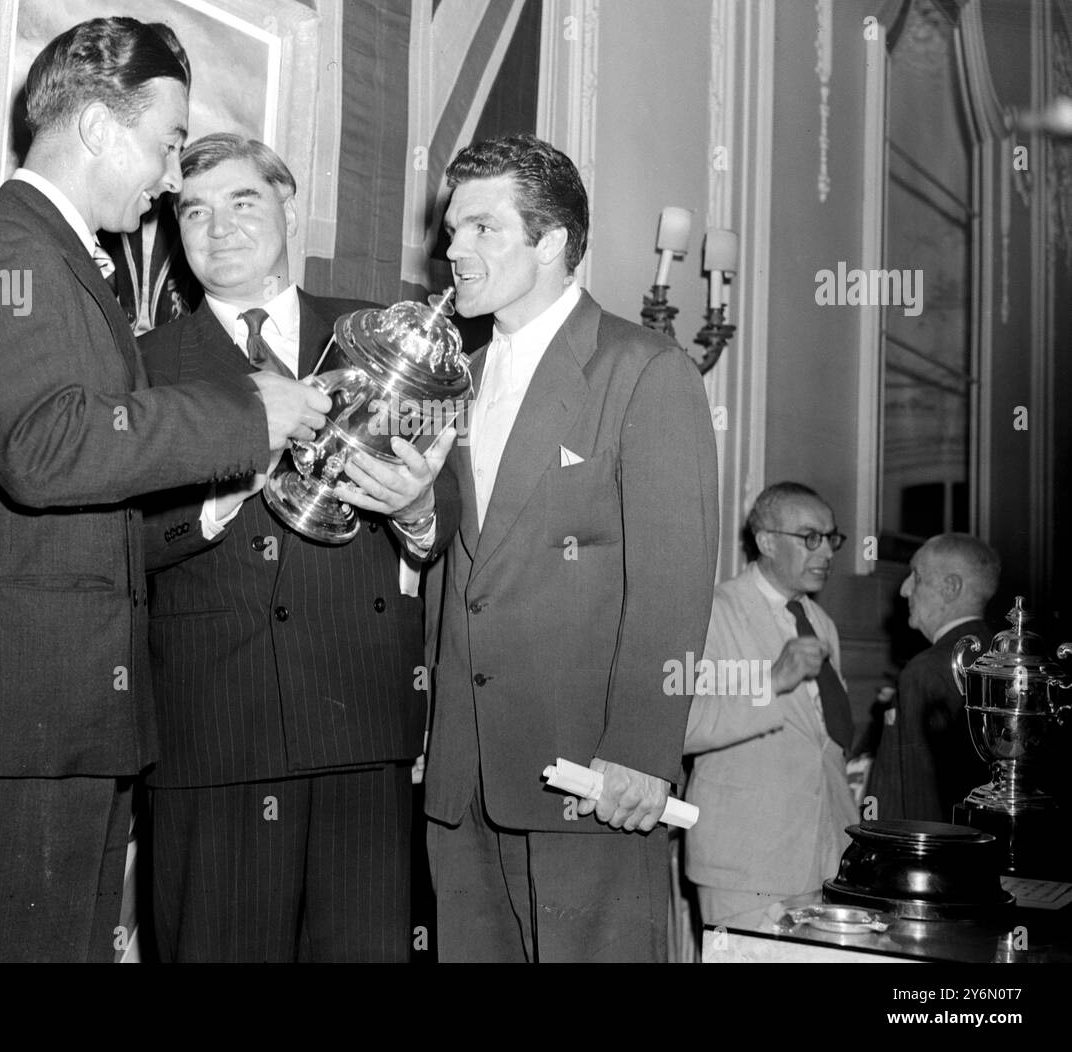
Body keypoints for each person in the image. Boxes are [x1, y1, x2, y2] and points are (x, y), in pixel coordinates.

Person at [0, 19, 330, 962]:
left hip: (47, 738)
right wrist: (247, 412)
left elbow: (79, 491)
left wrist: (218, 490)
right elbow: (45, 445)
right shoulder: (1, 251)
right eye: (165, 144)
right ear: (101, 131)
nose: (167, 179)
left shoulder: (63, 267)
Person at [138, 134, 459, 961]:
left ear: (288, 205)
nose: (218, 227)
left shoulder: (379, 338)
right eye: (194, 210)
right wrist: (218, 495)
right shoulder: (139, 366)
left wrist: (418, 508)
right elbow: (109, 543)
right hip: (213, 739)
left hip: (360, 733)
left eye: (243, 202)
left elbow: (442, 518)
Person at [422, 134, 719, 962]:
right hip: (463, 784)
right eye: (451, 231)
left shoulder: (647, 369)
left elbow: (674, 582)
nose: (454, 250)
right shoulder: (455, 380)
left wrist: (641, 753)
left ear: (551, 242)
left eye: (482, 228)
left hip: (588, 780)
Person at [684, 482, 857, 929]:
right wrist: (771, 681)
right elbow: (683, 726)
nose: (826, 552)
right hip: (746, 860)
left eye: (831, 538)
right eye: (810, 538)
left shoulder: (821, 623)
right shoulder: (713, 611)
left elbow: (827, 741)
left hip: (826, 858)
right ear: (766, 541)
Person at [865, 534, 997, 823]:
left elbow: (916, 793)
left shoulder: (926, 669)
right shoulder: (998, 656)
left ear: (951, 587)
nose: (904, 589)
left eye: (916, 576)